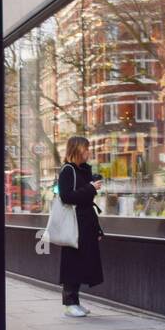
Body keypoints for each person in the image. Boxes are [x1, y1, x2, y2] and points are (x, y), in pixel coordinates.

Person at [56, 135, 105, 318]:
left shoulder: (82, 170)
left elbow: (86, 200)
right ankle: (69, 303)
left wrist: (97, 228)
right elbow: (66, 196)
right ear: (77, 149)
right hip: (73, 224)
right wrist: (91, 188)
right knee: (72, 262)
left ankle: (75, 301)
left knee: (82, 262)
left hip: (85, 222)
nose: (88, 152)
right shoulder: (67, 170)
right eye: (86, 148)